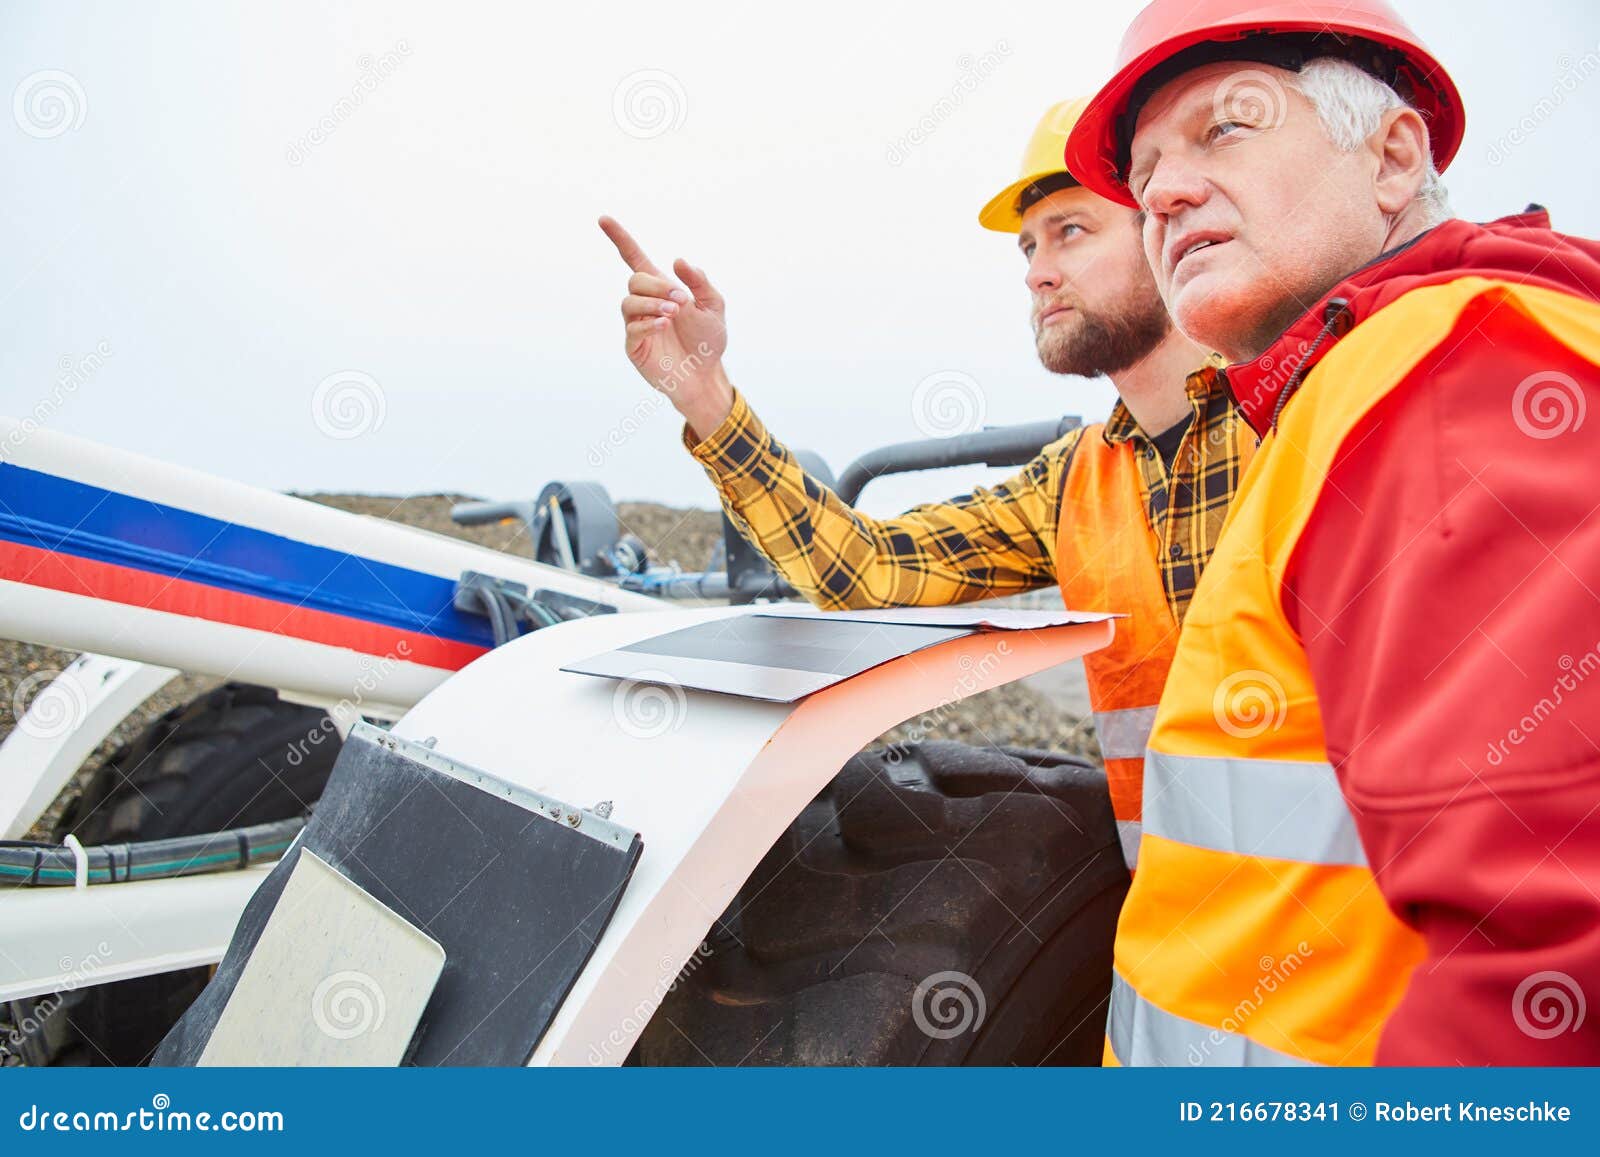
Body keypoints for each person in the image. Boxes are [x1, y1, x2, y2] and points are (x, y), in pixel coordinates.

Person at [1064, 0, 1600, 1064]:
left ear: (1393, 157)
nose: (1161, 194)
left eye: (1225, 128)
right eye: (1144, 172)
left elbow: (1552, 958)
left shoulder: (1446, 370)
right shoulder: (1357, 388)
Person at [599, 97, 1257, 871]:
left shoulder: (1297, 424)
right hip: (1173, 949)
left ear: (1161, 229)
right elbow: (865, 569)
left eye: (1070, 231)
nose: (1039, 273)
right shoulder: (1072, 484)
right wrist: (702, 393)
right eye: (1027, 250)